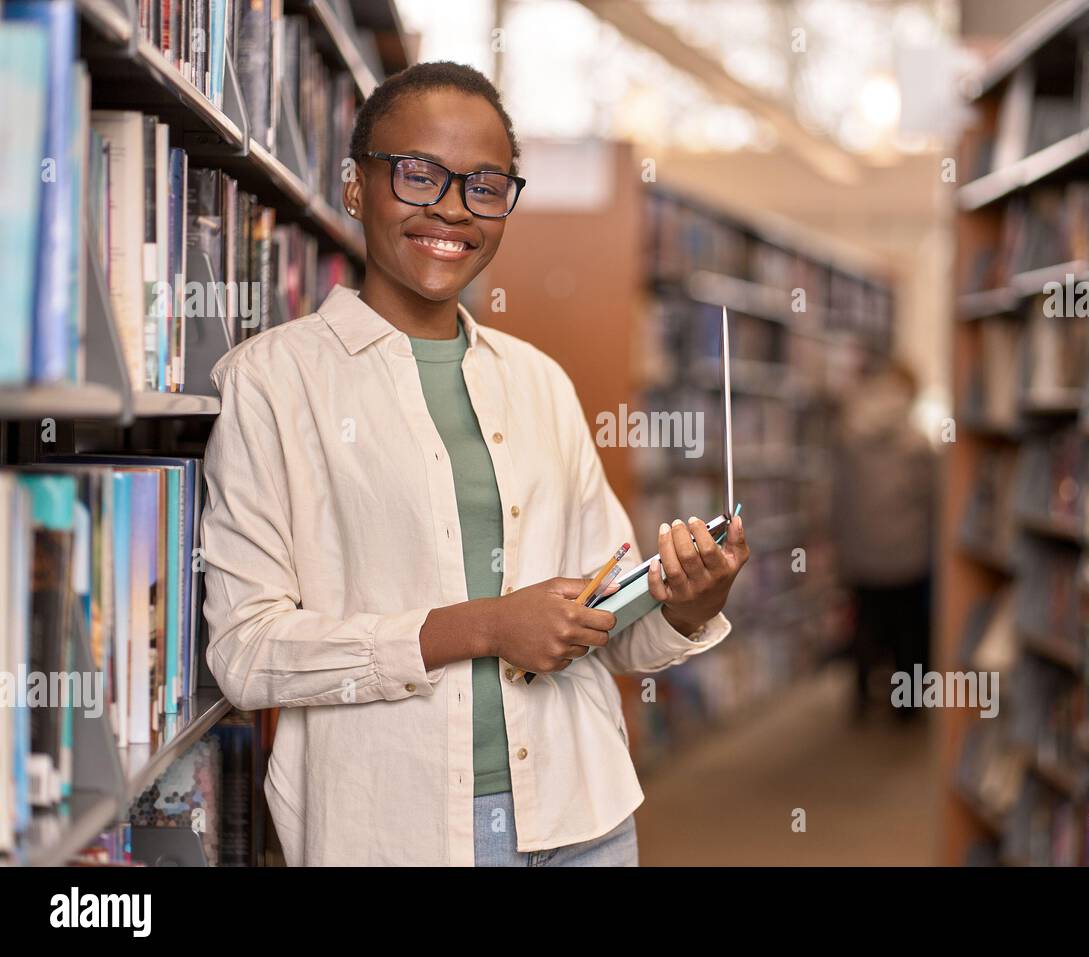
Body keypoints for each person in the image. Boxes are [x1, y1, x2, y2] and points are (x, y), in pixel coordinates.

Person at [200, 61, 749, 866]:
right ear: (356, 187)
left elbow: (609, 627)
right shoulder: (272, 383)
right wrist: (485, 626)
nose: (453, 208)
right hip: (396, 831)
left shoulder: (538, 381)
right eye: (420, 175)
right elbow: (246, 652)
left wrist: (686, 605)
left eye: (486, 186)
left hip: (582, 817)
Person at [831, 358, 935, 721]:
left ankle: (861, 698)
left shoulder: (848, 433)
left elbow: (839, 495)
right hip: (908, 551)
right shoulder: (917, 441)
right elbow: (931, 496)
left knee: (865, 624)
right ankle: (906, 707)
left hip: (861, 550)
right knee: (909, 629)